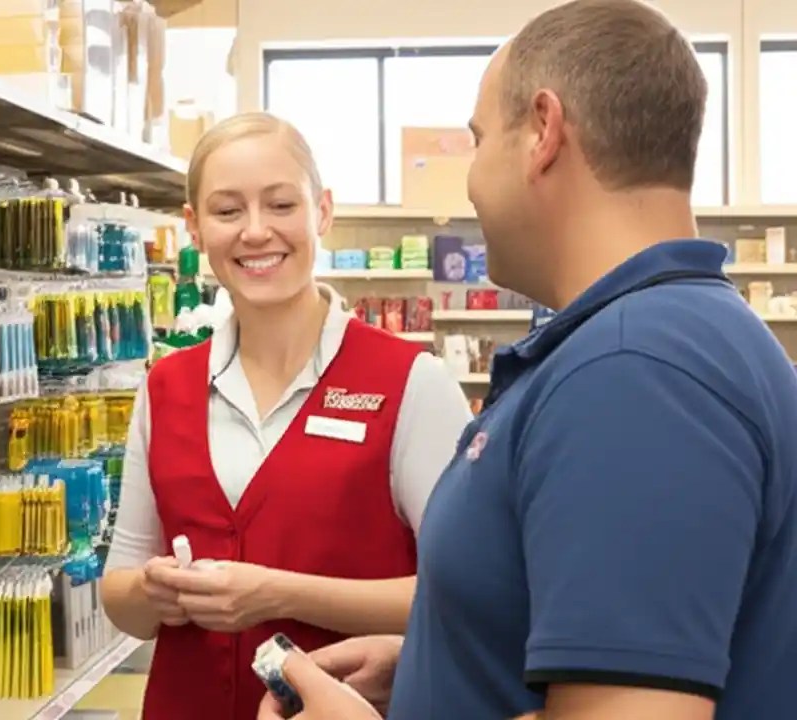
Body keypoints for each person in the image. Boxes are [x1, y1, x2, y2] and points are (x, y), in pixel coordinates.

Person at [258, 1, 797, 719]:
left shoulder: (635, 374)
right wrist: (443, 660)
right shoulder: (655, 341)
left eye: (478, 141)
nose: (471, 179)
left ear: (543, 131)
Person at [99, 111, 472, 720]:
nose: (255, 232)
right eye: (226, 211)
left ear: (321, 211)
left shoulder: (410, 385)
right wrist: (154, 591)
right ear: (193, 227)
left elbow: (465, 595)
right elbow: (121, 597)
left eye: (280, 205)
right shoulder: (165, 387)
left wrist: (277, 594)